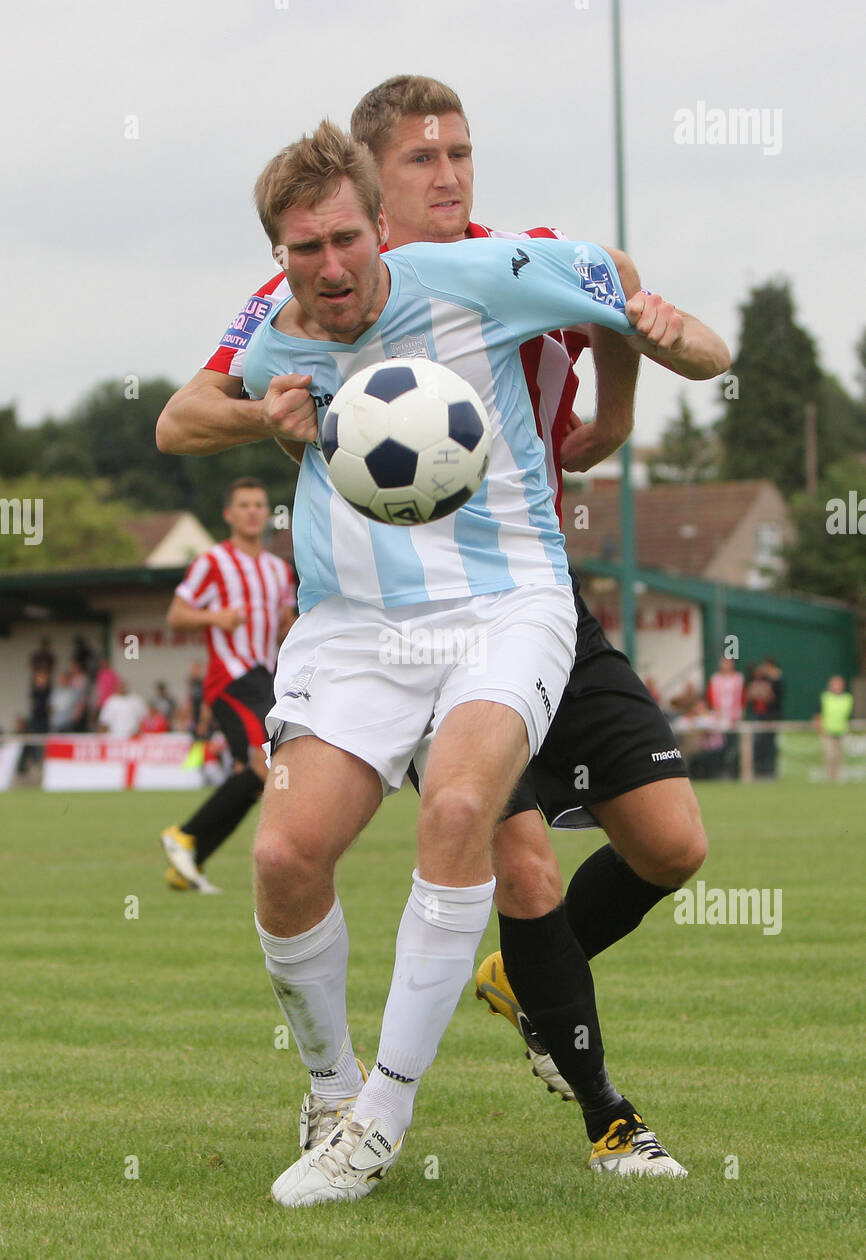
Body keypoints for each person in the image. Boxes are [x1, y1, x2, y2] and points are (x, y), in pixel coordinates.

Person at [157, 77, 728, 1185]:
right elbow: (185, 415)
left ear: (371, 227)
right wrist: (261, 414)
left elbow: (632, 294)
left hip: (517, 598)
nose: (449, 175)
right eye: (423, 159)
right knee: (344, 851)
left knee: (613, 835)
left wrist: (638, 376)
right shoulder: (281, 310)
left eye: (459, 152)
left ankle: (446, 1072)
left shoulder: (505, 263)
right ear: (374, 189)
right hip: (366, 624)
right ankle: (372, 1096)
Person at [160, 478, 296, 894]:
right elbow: (176, 615)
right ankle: (184, 835)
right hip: (230, 677)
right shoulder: (214, 562)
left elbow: (283, 625)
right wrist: (214, 618)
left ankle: (189, 860)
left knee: (259, 775)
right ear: (229, 514)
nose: (253, 511)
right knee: (263, 766)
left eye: (259, 504)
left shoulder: (278, 569)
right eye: (244, 504)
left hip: (265, 678)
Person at [707, 654, 745, 778]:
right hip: (719, 719)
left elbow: (742, 698)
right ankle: (720, 770)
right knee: (719, 746)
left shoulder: (738, 678)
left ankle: (734, 771)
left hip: (734, 719)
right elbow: (712, 698)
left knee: (734, 746)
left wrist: (737, 716)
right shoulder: (715, 679)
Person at [817, 675, 853, 782]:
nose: (838, 687)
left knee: (839, 757)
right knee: (830, 757)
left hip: (842, 732)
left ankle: (837, 778)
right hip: (828, 732)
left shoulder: (847, 698)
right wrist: (821, 729)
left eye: (840, 684)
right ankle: (830, 778)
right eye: (836, 684)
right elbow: (818, 715)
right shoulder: (825, 697)